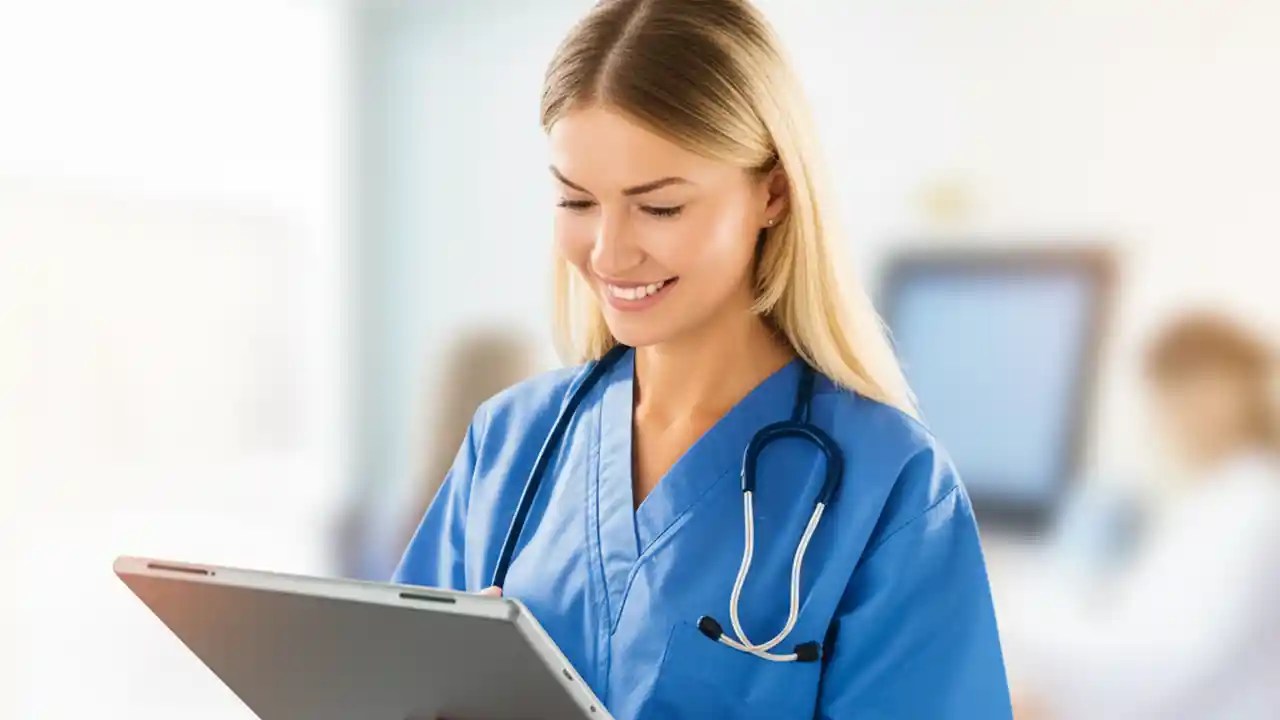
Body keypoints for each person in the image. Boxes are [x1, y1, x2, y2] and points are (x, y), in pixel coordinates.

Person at [393, 1, 1011, 718]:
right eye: (576, 200)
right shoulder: (511, 445)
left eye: (659, 208)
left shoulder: (889, 487)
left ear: (772, 192)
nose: (609, 252)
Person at [1008, 312, 1280, 718]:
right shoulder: (1214, 501)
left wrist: (1014, 624)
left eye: (1181, 391)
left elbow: (1163, 664)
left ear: (1228, 393)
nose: (1168, 414)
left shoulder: (1251, 509)